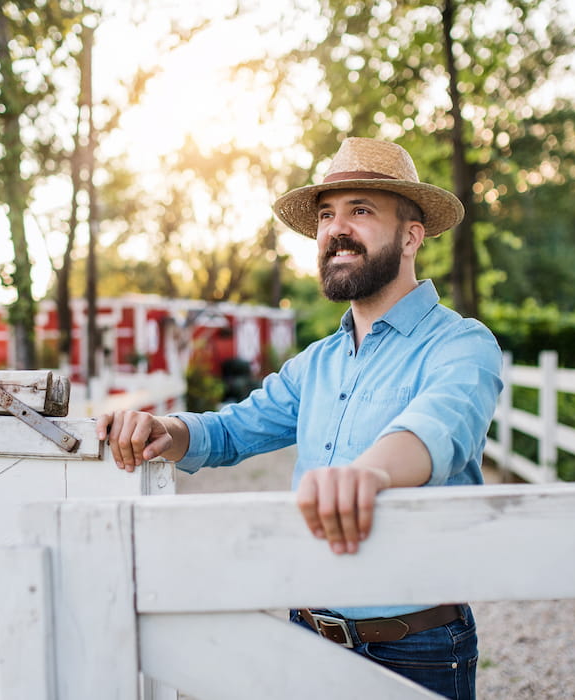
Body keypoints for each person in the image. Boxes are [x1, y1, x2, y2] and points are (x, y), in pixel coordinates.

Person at [96, 136, 502, 698]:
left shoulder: (461, 343)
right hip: (304, 634)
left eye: (360, 210)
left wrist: (371, 472)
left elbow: (442, 425)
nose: (336, 228)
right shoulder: (317, 363)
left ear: (412, 237)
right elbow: (236, 428)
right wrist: (169, 430)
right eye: (327, 215)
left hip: (416, 647)